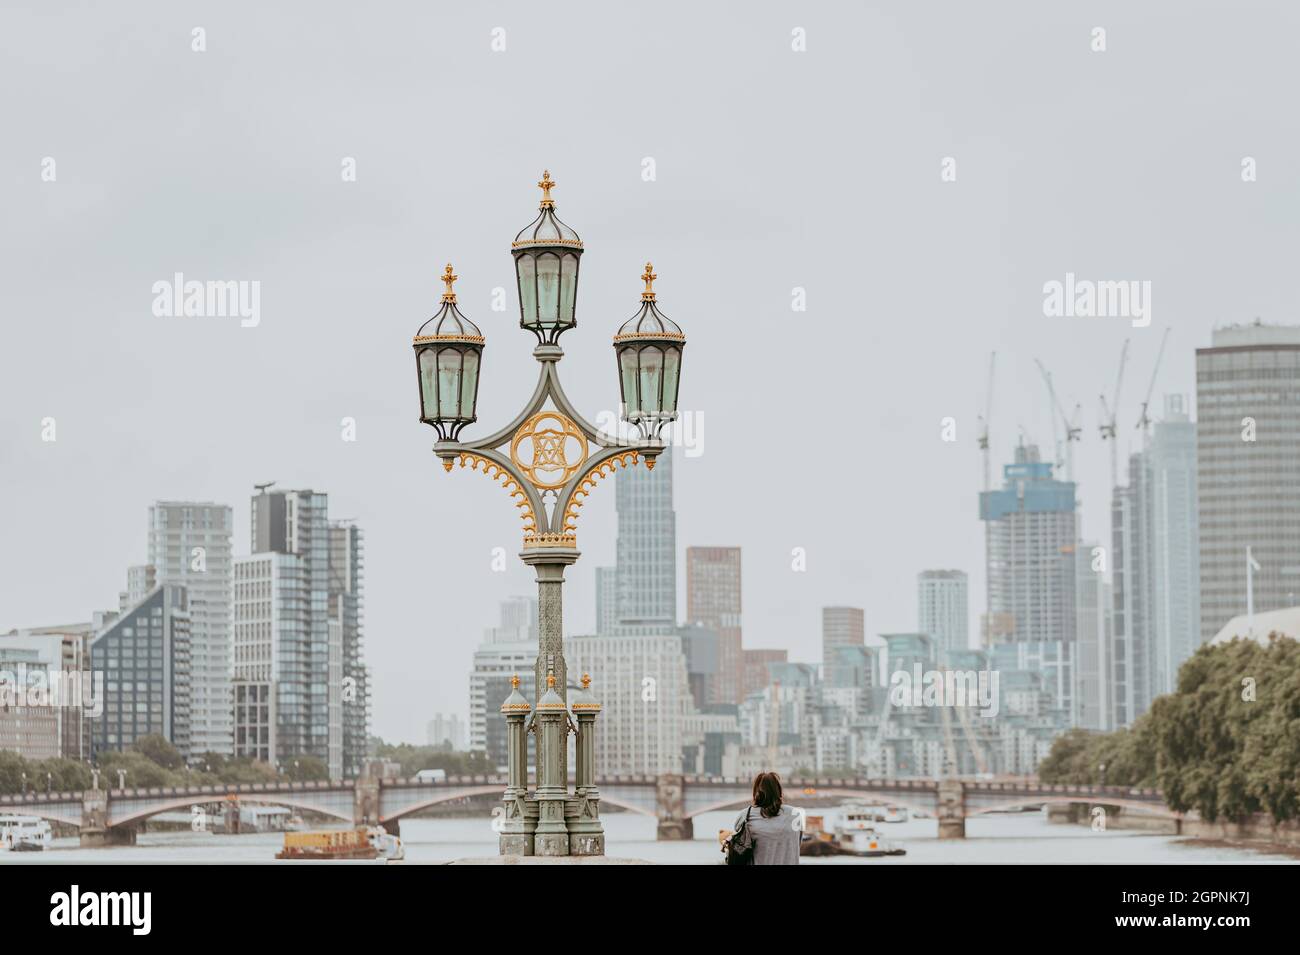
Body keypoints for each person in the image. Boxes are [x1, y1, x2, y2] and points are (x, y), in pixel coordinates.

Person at [735, 771, 800, 865]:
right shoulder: (795, 814)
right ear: (779, 791)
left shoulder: (745, 815)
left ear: (756, 792)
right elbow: (796, 843)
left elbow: (739, 847)